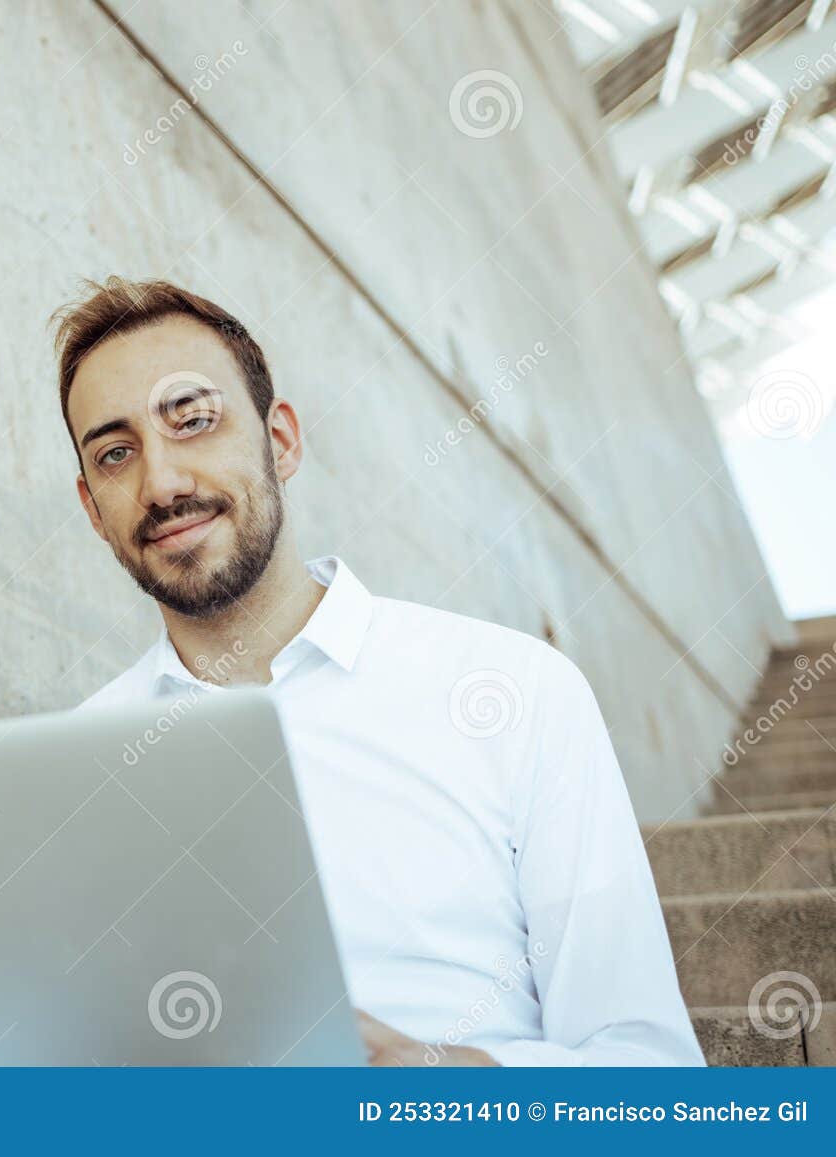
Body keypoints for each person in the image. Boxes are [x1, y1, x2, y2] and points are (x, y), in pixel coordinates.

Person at [54, 277, 704, 1066]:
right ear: (94, 509)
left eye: (193, 420)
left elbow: (653, 1072)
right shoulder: (73, 770)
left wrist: (454, 1081)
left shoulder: (514, 688)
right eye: (117, 454)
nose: (161, 483)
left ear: (282, 441)